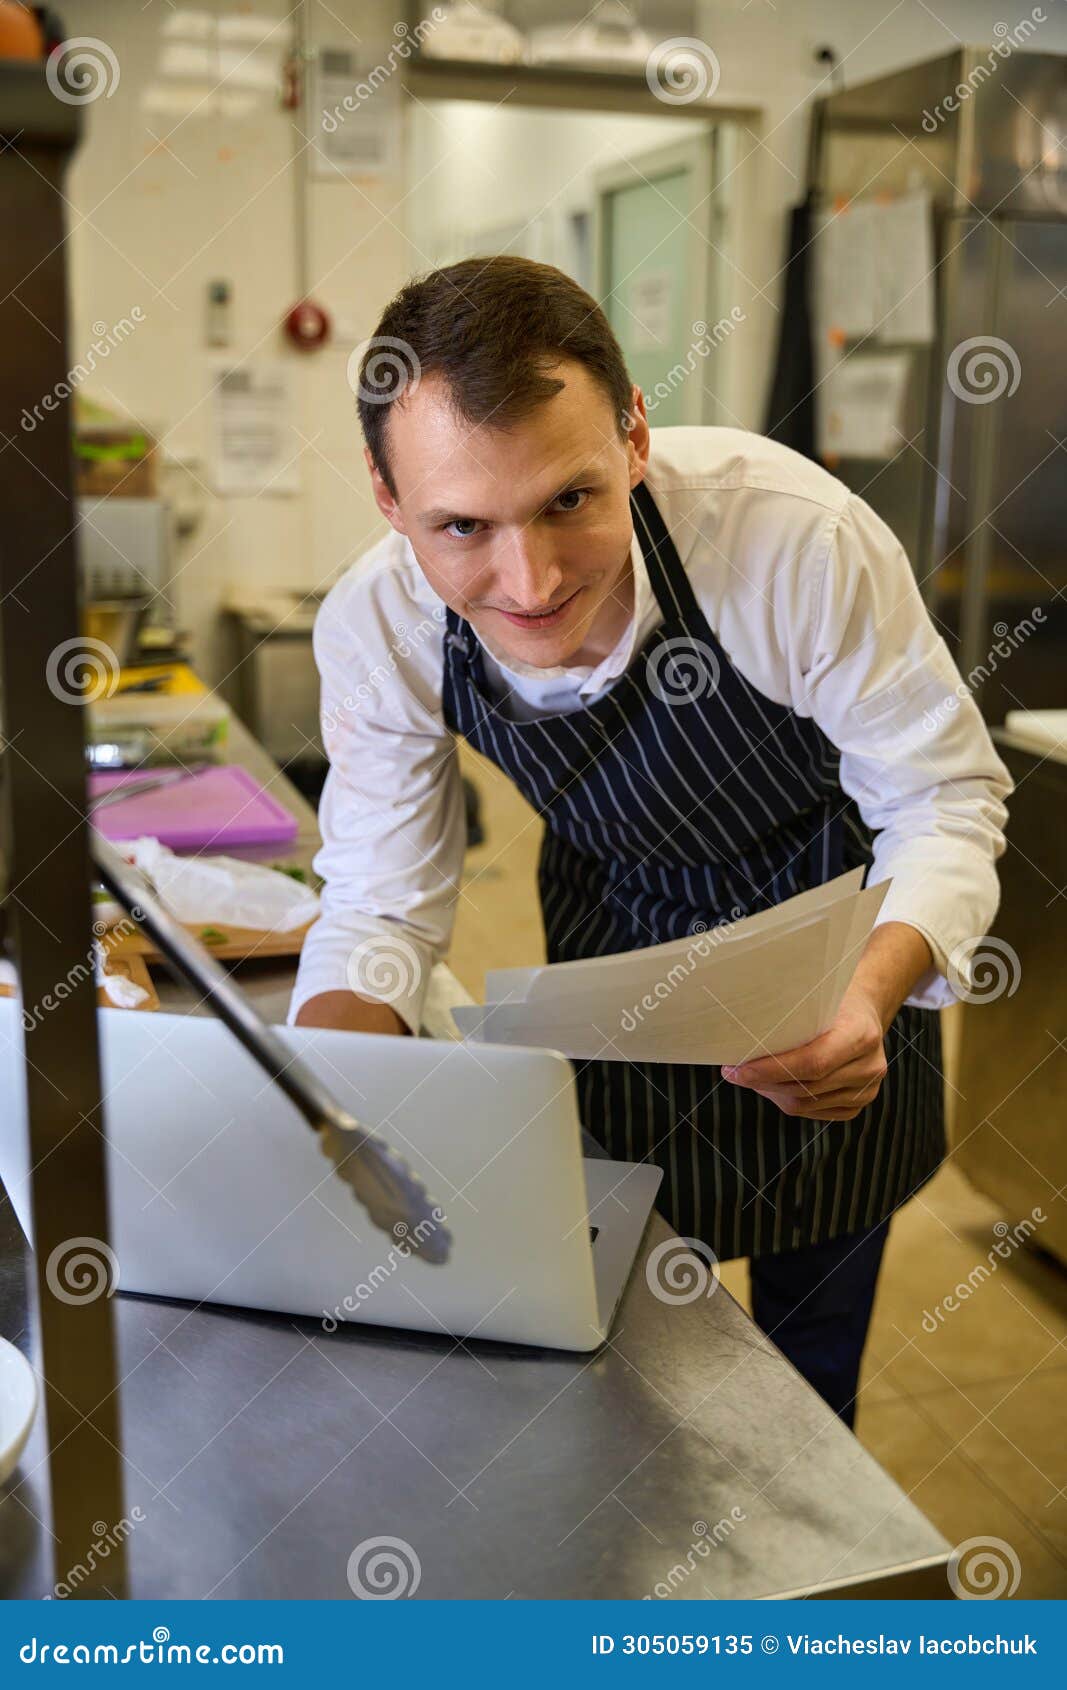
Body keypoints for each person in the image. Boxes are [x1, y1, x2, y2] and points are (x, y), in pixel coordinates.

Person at [289, 257, 1011, 1425]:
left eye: (567, 501)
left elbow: (941, 799)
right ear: (384, 494)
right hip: (613, 950)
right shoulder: (377, 623)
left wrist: (869, 1001)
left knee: (804, 1382)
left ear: (632, 437)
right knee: (622, 1353)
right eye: (460, 525)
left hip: (840, 934)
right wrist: (324, 1108)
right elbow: (378, 901)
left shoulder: (785, 537)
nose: (526, 581)